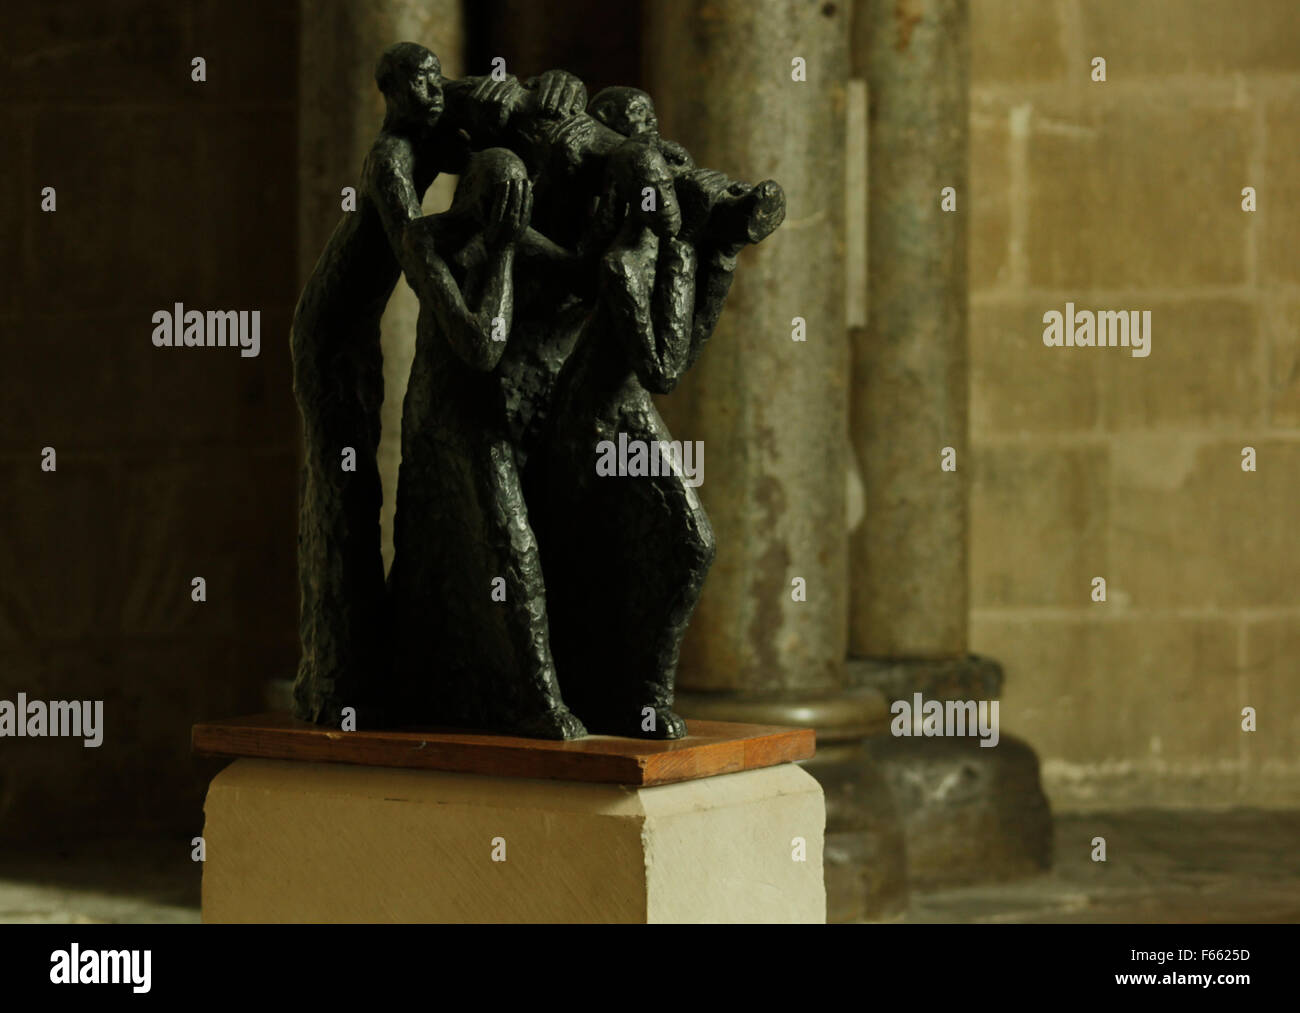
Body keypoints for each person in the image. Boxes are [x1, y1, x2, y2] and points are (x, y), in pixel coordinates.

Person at [388, 149, 587, 739]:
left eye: (520, 196)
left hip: (497, 415)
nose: (513, 208)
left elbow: (583, 280)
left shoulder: (512, 233)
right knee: (509, 545)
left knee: (458, 559)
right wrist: (503, 247)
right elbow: (481, 344)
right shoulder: (427, 241)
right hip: (448, 421)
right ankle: (538, 698)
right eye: (502, 194)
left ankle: (452, 684)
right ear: (473, 192)